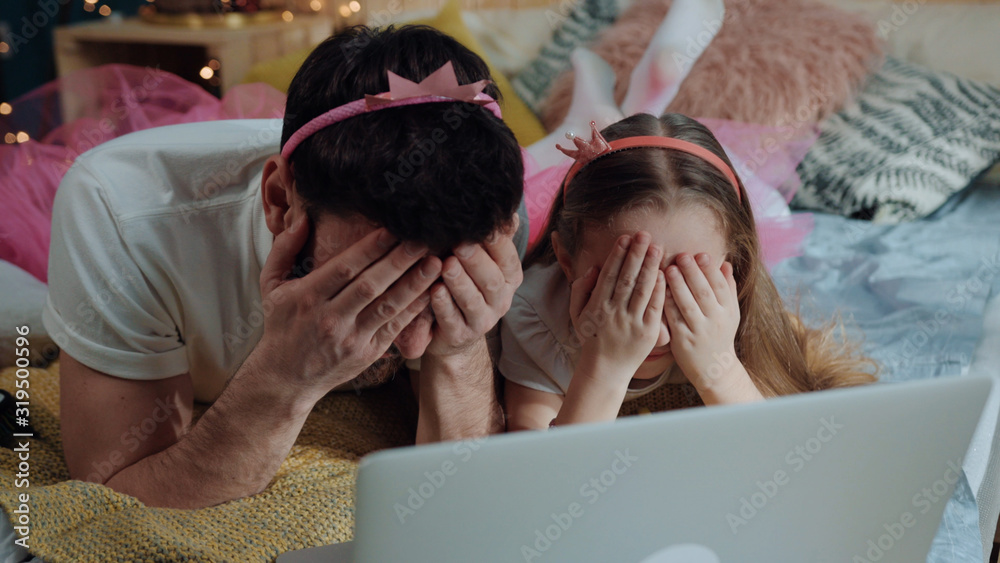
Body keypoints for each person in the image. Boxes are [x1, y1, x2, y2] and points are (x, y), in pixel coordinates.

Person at [43, 25, 526, 509]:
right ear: (279, 200)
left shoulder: (488, 215)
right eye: (365, 284)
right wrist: (285, 375)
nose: (412, 344)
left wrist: (460, 348)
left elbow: (466, 492)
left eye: (433, 291)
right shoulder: (118, 213)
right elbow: (114, 496)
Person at [500, 113, 875, 430]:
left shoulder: (735, 308)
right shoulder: (535, 316)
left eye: (685, 287)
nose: (654, 332)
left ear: (735, 267)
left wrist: (721, 368)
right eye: (623, 287)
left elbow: (783, 464)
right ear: (567, 263)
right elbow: (546, 483)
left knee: (772, 208)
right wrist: (604, 368)